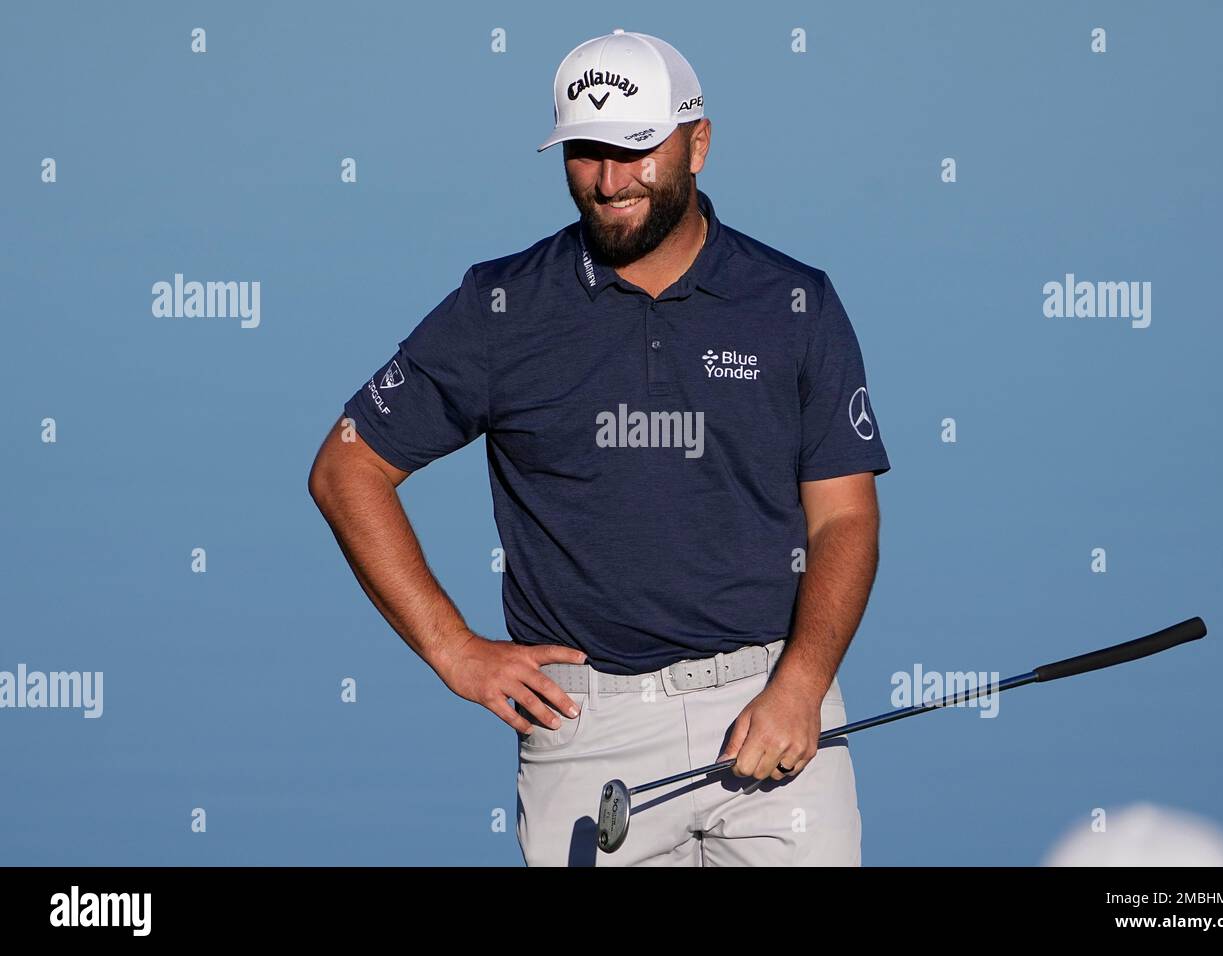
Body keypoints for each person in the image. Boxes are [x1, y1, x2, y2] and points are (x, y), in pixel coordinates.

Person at [308, 29, 891, 866]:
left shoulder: (794, 303)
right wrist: (453, 649)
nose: (610, 181)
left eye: (635, 149)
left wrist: (802, 685)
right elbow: (348, 467)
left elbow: (844, 520)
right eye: (585, 152)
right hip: (585, 734)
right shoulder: (499, 309)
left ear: (699, 142)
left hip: (774, 709)